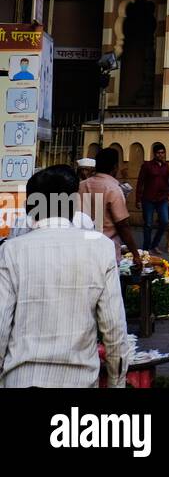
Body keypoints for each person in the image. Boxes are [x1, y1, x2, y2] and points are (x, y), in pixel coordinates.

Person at [0, 165, 131, 388]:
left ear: (30, 204)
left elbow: (1, 326)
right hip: (79, 382)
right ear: (73, 203)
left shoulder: (11, 251)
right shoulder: (101, 249)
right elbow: (114, 329)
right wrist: (116, 383)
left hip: (21, 379)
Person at [77, 147, 142, 264]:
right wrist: (135, 254)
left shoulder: (81, 185)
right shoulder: (113, 189)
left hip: (82, 246)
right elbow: (123, 225)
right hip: (106, 249)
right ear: (115, 167)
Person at [135, 142, 169, 252]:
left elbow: (166, 182)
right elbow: (140, 182)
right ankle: (146, 248)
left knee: (165, 221)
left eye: (163, 152)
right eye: (158, 153)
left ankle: (154, 244)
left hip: (162, 199)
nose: (161, 155)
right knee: (148, 224)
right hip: (148, 198)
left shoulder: (166, 166)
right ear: (154, 154)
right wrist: (138, 199)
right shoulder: (147, 165)